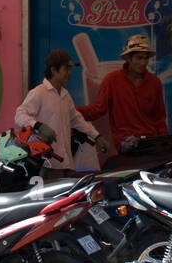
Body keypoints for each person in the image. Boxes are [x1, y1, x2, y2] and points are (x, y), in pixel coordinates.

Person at [15, 49, 108, 178]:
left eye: (70, 69)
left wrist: (96, 136)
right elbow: (19, 115)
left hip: (66, 163)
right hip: (47, 164)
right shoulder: (39, 93)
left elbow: (76, 119)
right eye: (66, 69)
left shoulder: (65, 95)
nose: (69, 73)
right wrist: (38, 126)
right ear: (53, 70)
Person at [76, 34, 168, 153]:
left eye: (146, 58)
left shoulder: (155, 82)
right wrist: (71, 111)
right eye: (139, 58)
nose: (143, 62)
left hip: (151, 142)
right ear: (128, 59)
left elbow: (159, 119)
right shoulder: (111, 80)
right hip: (125, 142)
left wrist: (165, 143)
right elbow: (97, 110)